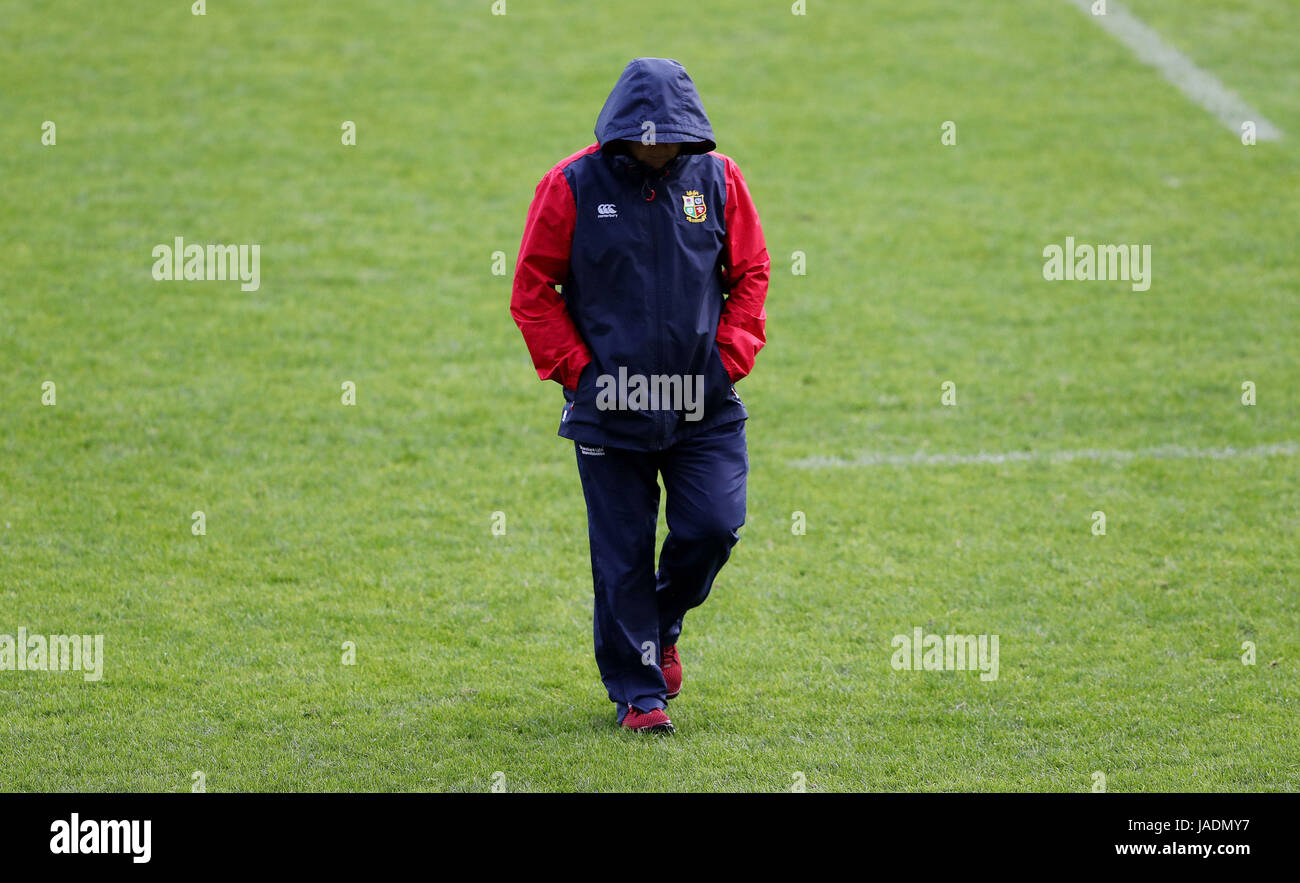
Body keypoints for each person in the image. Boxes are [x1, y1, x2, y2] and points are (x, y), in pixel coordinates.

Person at [511, 58, 769, 734]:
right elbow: (533, 291)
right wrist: (580, 375)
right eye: (645, 137)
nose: (657, 149)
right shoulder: (569, 186)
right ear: (619, 131)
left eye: (670, 138)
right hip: (609, 406)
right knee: (620, 552)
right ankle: (639, 695)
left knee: (713, 526)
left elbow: (751, 273)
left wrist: (726, 360)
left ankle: (662, 622)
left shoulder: (718, 180)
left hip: (701, 403)